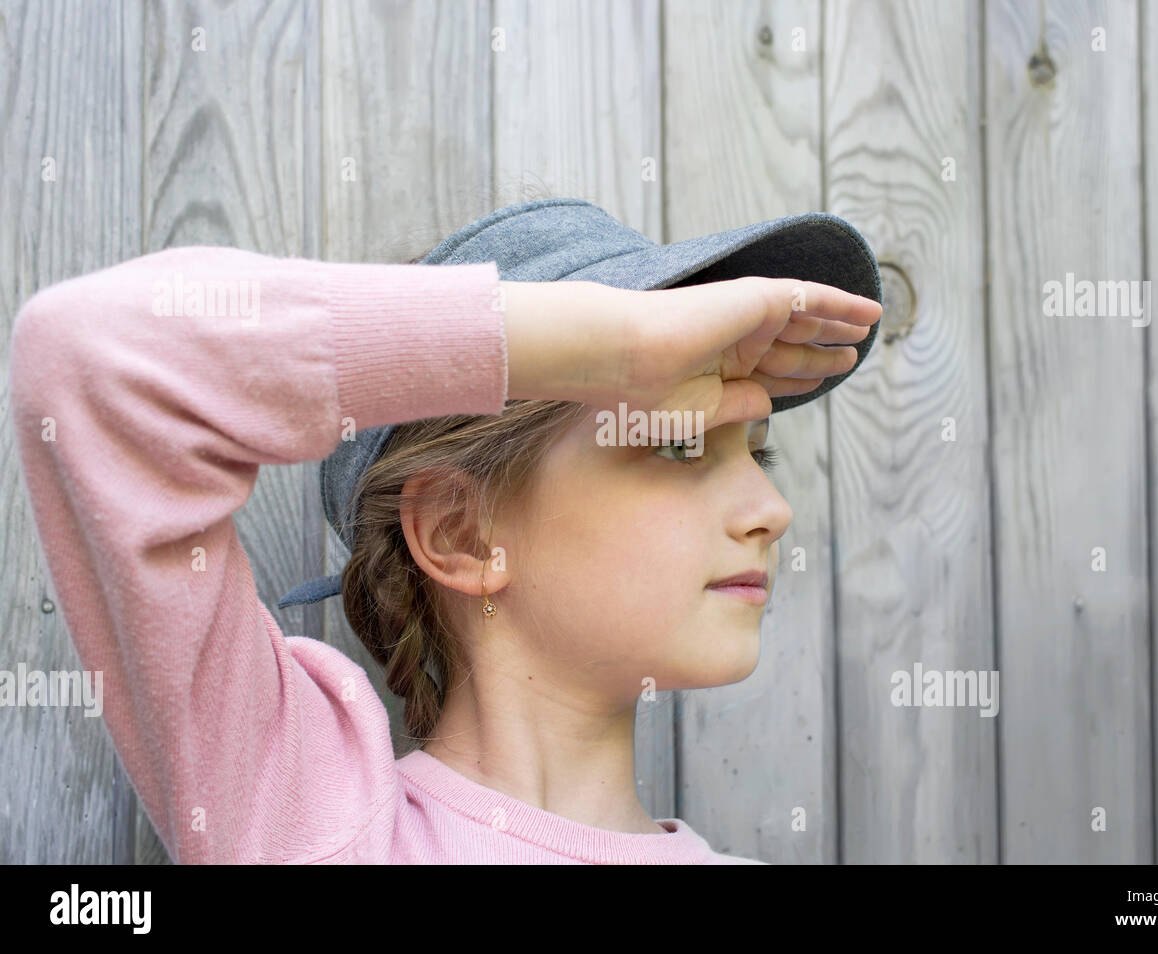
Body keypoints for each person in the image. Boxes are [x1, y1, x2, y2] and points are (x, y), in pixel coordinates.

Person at [9, 197, 882, 864]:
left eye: (759, 458)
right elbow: (86, 354)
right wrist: (606, 344)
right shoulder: (321, 829)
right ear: (461, 534)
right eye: (678, 444)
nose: (773, 512)